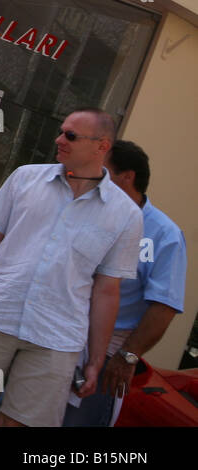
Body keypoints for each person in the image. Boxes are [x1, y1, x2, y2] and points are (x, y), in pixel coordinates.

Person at [0, 110, 144, 428]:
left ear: (102, 146)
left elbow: (106, 290)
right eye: (61, 131)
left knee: (15, 423)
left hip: (54, 341)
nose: (59, 140)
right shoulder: (25, 178)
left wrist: (96, 360)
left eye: (71, 136)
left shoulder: (126, 214)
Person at [63, 140, 186, 426]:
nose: (94, 177)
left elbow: (164, 306)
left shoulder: (164, 235)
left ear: (127, 177)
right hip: (57, 335)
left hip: (107, 354)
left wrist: (127, 356)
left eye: (103, 170)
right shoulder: (86, 209)